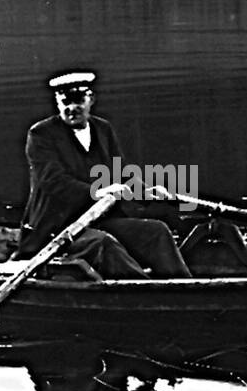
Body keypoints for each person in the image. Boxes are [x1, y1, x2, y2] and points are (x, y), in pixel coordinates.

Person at [14, 71, 192, 279]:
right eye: (65, 102)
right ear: (57, 103)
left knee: (157, 231)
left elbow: (122, 174)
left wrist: (147, 191)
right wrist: (98, 192)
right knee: (103, 243)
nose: (72, 109)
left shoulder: (103, 129)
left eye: (79, 101)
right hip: (55, 229)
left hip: (98, 221)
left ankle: (185, 287)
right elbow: (53, 182)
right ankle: (147, 296)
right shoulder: (41, 134)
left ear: (91, 100)